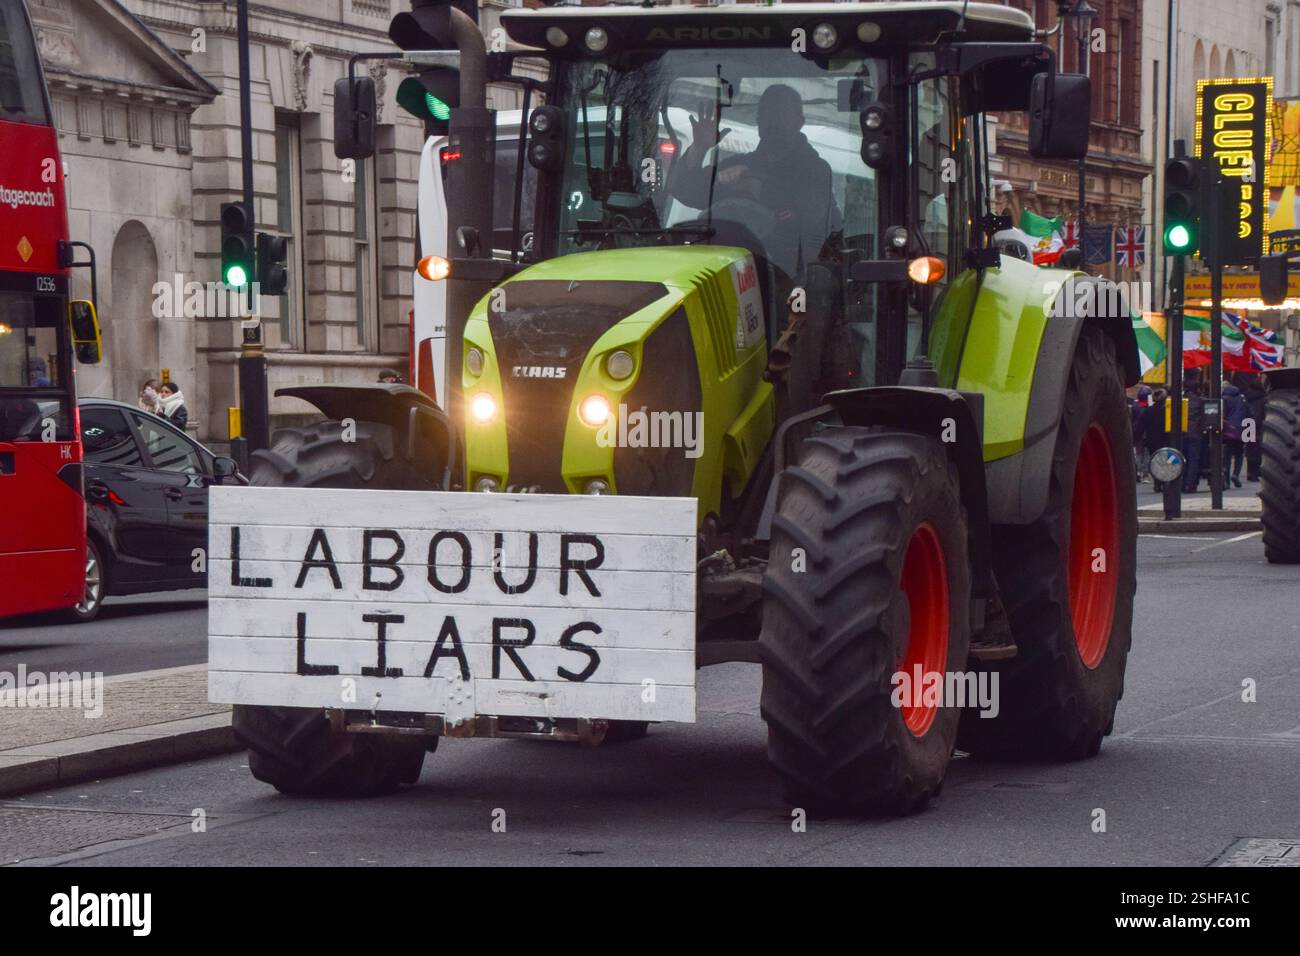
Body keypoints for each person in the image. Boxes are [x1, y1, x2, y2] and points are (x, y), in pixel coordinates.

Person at [670, 83, 843, 281]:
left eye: (780, 116)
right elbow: (684, 191)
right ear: (758, 122)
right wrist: (699, 147)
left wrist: (756, 184)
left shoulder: (816, 171)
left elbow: (812, 221)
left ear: (799, 122)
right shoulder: (739, 163)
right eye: (766, 117)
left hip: (790, 279)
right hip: (727, 271)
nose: (772, 123)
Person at [1241, 373, 1266, 481]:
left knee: (1249, 448)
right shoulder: (1263, 398)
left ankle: (1249, 472)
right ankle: (1255, 472)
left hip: (1247, 423)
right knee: (1257, 449)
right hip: (1258, 425)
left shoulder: (1246, 396)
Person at [1222, 383, 1246, 488]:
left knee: (1226, 456)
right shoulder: (1242, 399)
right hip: (1241, 430)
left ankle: (1226, 480)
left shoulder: (1224, 399)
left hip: (1228, 431)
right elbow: (1249, 414)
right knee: (1239, 454)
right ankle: (1236, 474)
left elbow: (1222, 414)